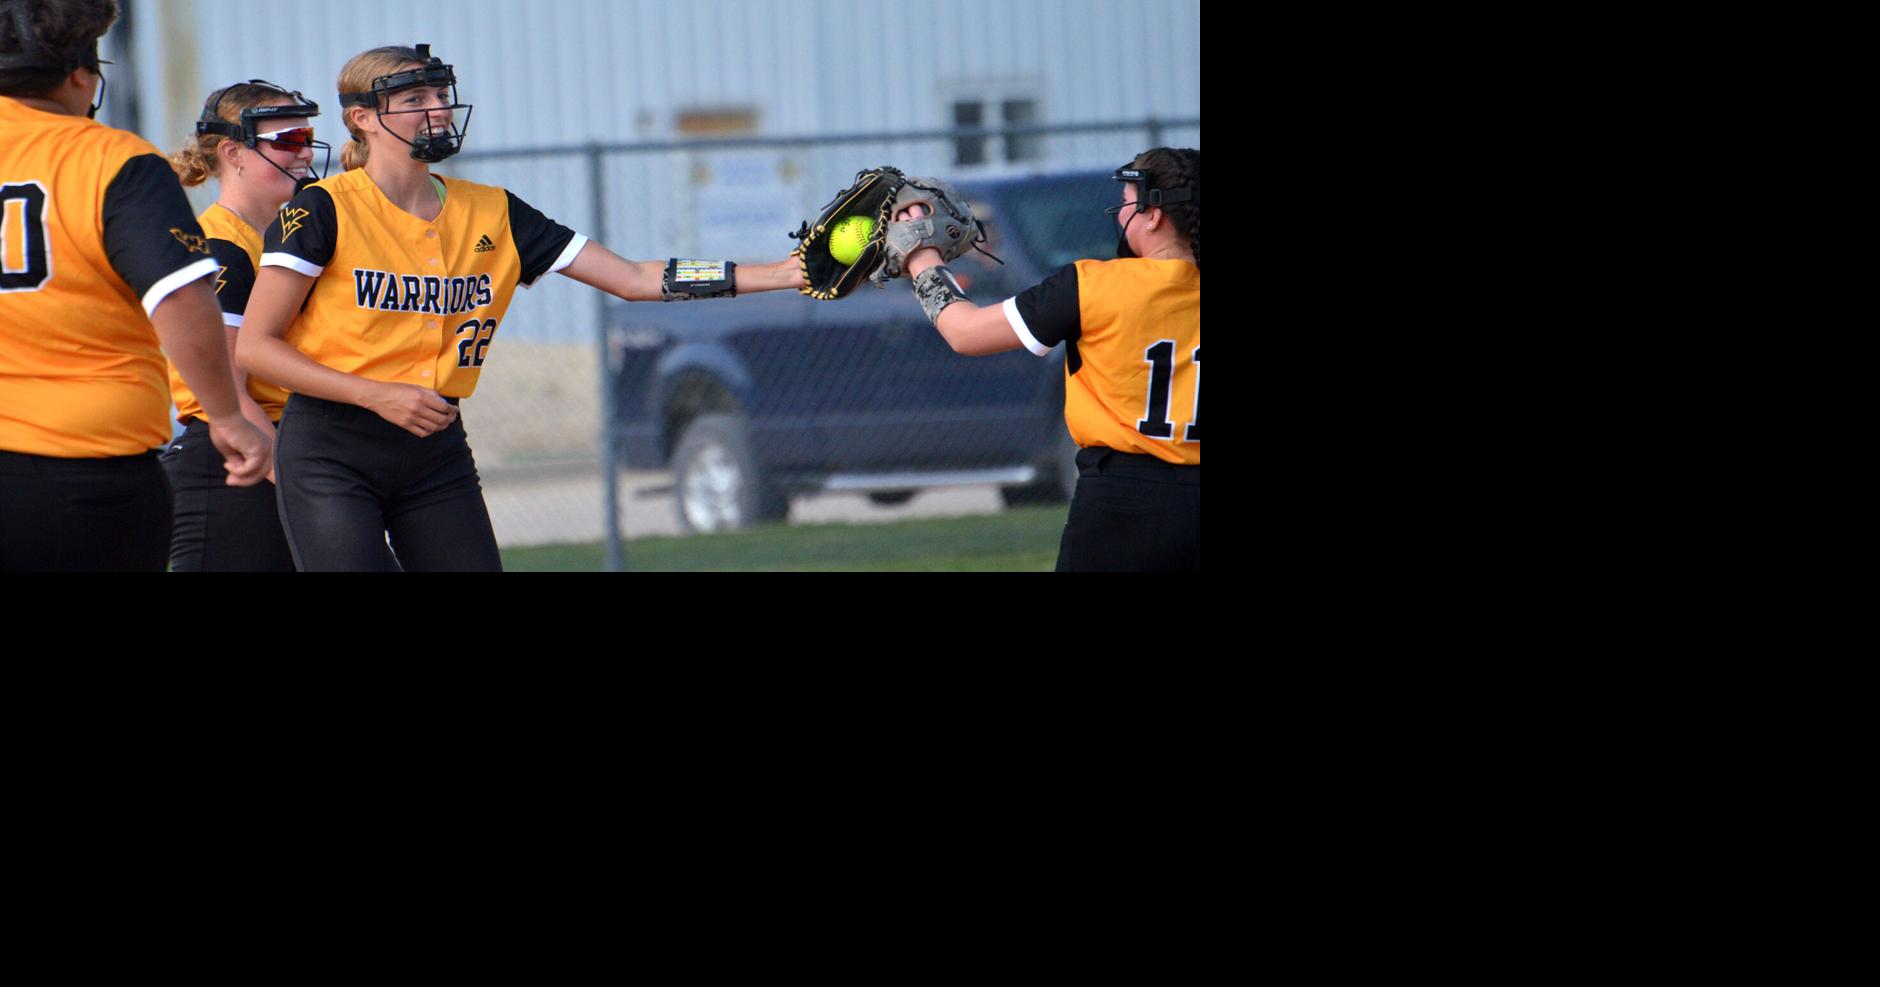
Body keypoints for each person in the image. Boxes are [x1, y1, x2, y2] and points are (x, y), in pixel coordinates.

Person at [238, 44, 806, 571]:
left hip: (434, 448)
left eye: (440, 95)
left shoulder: (494, 211)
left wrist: (780, 273)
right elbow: (257, 347)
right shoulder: (324, 208)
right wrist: (375, 393)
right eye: (414, 99)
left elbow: (633, 278)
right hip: (331, 448)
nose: (437, 109)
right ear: (361, 117)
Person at [0, 0, 268, 572]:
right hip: (85, 469)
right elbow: (180, 295)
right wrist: (226, 416)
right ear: (81, 73)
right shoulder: (109, 156)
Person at [898, 147, 1199, 571]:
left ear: (1154, 215)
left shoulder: (1093, 285)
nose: (1120, 213)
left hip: (1123, 502)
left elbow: (965, 333)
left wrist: (920, 256)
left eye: (1129, 202)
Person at [162, 79, 330, 572]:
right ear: (233, 152)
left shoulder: (288, 236)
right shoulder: (221, 245)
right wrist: (309, 488)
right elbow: (228, 394)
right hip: (235, 460)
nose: (304, 153)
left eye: (307, 139)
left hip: (285, 449)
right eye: (289, 141)